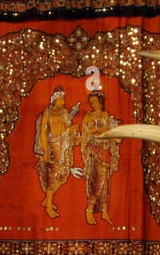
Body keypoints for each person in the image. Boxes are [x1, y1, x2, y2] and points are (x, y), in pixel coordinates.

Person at [32, 87, 80, 219]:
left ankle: (47, 200)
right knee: (51, 175)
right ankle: (48, 206)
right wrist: (46, 151)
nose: (64, 101)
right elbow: (43, 132)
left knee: (64, 174)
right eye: (62, 98)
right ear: (55, 99)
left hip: (62, 146)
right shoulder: (47, 112)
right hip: (52, 145)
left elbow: (66, 127)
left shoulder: (64, 112)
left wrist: (72, 127)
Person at [78, 89, 120, 224]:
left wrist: (105, 132)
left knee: (106, 185)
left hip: (106, 151)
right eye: (91, 102)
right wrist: (97, 132)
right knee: (97, 183)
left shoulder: (106, 115)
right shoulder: (88, 116)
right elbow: (86, 134)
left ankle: (104, 211)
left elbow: (110, 131)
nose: (93, 104)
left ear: (101, 102)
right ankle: (89, 210)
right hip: (95, 151)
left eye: (95, 101)